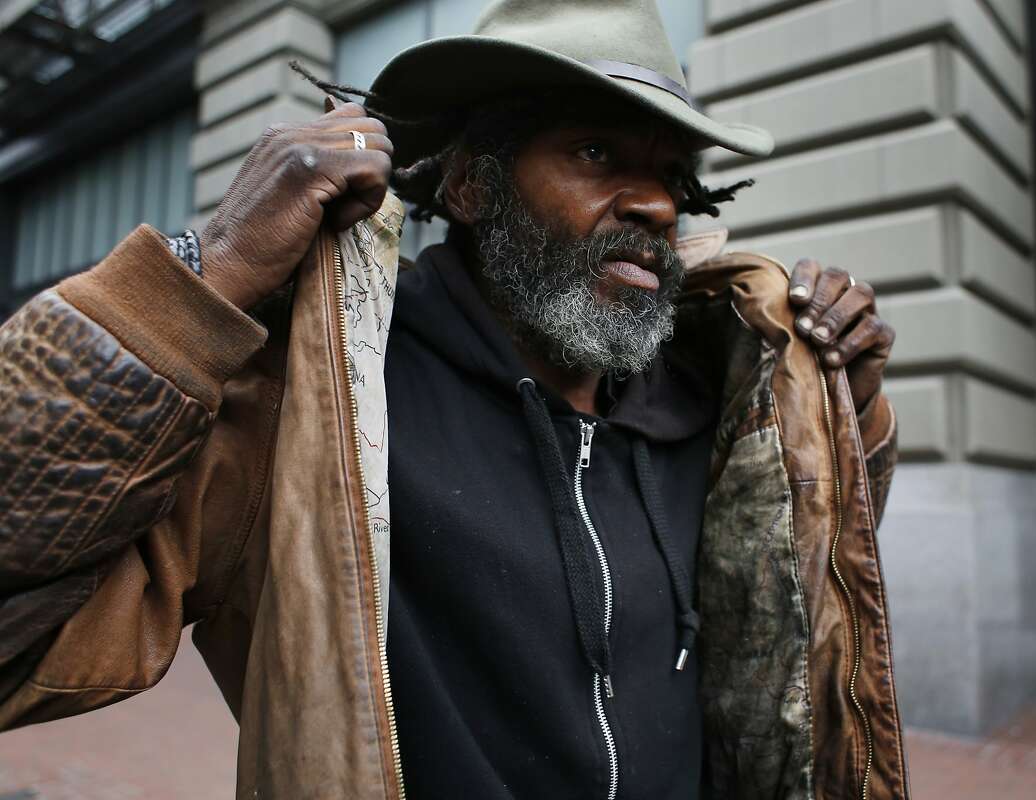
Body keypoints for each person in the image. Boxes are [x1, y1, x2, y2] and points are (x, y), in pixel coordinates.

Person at [0, 1, 908, 797]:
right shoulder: (319, 401)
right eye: (596, 151)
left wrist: (839, 408)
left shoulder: (707, 396)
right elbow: (24, 627)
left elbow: (795, 597)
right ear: (473, 188)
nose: (657, 206)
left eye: (672, 176)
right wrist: (208, 273)